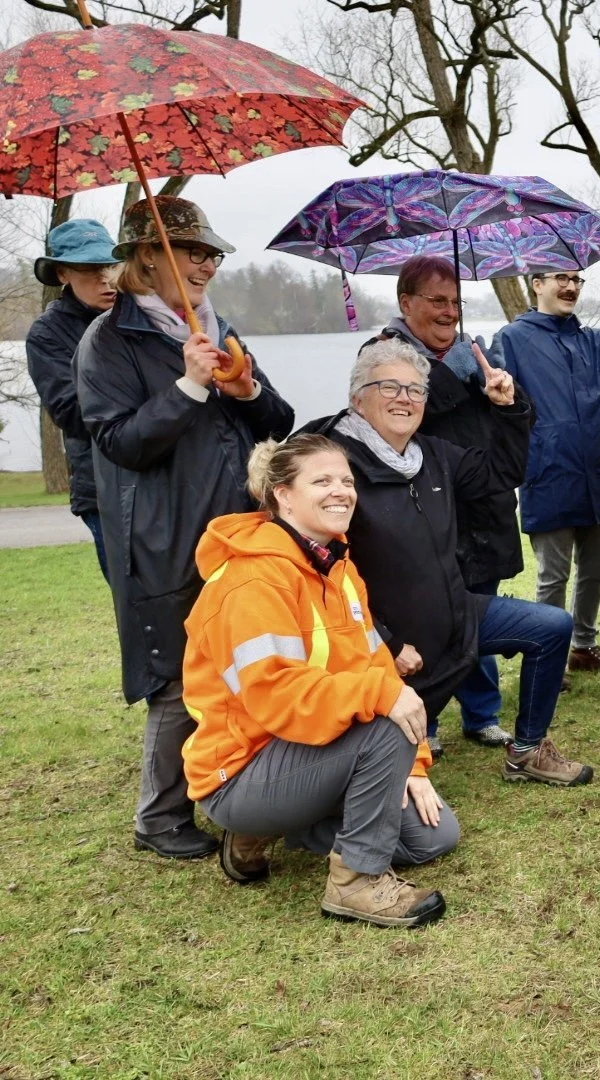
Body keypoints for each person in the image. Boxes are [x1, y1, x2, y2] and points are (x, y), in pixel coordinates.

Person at [76, 196, 295, 860]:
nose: (207, 265)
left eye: (212, 254)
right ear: (147, 256)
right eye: (194, 251)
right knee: (177, 676)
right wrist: (189, 387)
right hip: (165, 538)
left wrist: (245, 390)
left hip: (236, 528)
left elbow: (277, 422)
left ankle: (233, 789)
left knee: (243, 661)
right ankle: (160, 818)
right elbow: (119, 442)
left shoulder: (214, 327)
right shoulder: (108, 341)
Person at [182, 435, 454, 927]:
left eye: (347, 481)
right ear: (282, 494)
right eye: (322, 481)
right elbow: (274, 696)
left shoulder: (338, 568)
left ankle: (289, 824)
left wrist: (413, 767)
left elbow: (374, 665)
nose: (342, 492)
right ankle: (354, 882)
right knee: (387, 719)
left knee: (432, 838)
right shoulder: (253, 580)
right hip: (245, 770)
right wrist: (382, 697)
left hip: (313, 750)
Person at [304, 338, 590, 785]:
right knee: (362, 773)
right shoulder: (332, 466)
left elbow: (501, 473)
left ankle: (528, 751)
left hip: (456, 613)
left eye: (417, 390)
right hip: (384, 646)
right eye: (390, 387)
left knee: (551, 627)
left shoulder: (430, 454)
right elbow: (319, 574)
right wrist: (384, 642)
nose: (406, 398)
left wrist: (507, 409)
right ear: (358, 398)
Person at [364, 254, 526, 753]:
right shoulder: (382, 357)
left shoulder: (470, 357)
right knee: (428, 621)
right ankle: (424, 722)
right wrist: (456, 375)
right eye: (437, 300)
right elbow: (403, 423)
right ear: (405, 302)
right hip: (427, 518)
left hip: (482, 513)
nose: (449, 311)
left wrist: (504, 397)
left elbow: (505, 443)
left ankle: (482, 714)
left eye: (455, 301)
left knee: (476, 614)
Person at [495, 227, 600, 679]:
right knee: (554, 576)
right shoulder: (511, 339)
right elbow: (493, 393)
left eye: (576, 279)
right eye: (560, 277)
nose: (570, 286)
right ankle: (545, 654)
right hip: (549, 476)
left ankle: (585, 645)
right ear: (536, 284)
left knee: (594, 572)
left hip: (598, 474)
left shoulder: (593, 341)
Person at [27, 220, 122, 579]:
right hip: (102, 490)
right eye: (89, 268)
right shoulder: (48, 333)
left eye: (110, 265)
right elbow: (70, 412)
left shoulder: (145, 315)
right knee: (135, 607)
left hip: (165, 482)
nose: (104, 277)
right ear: (63, 273)